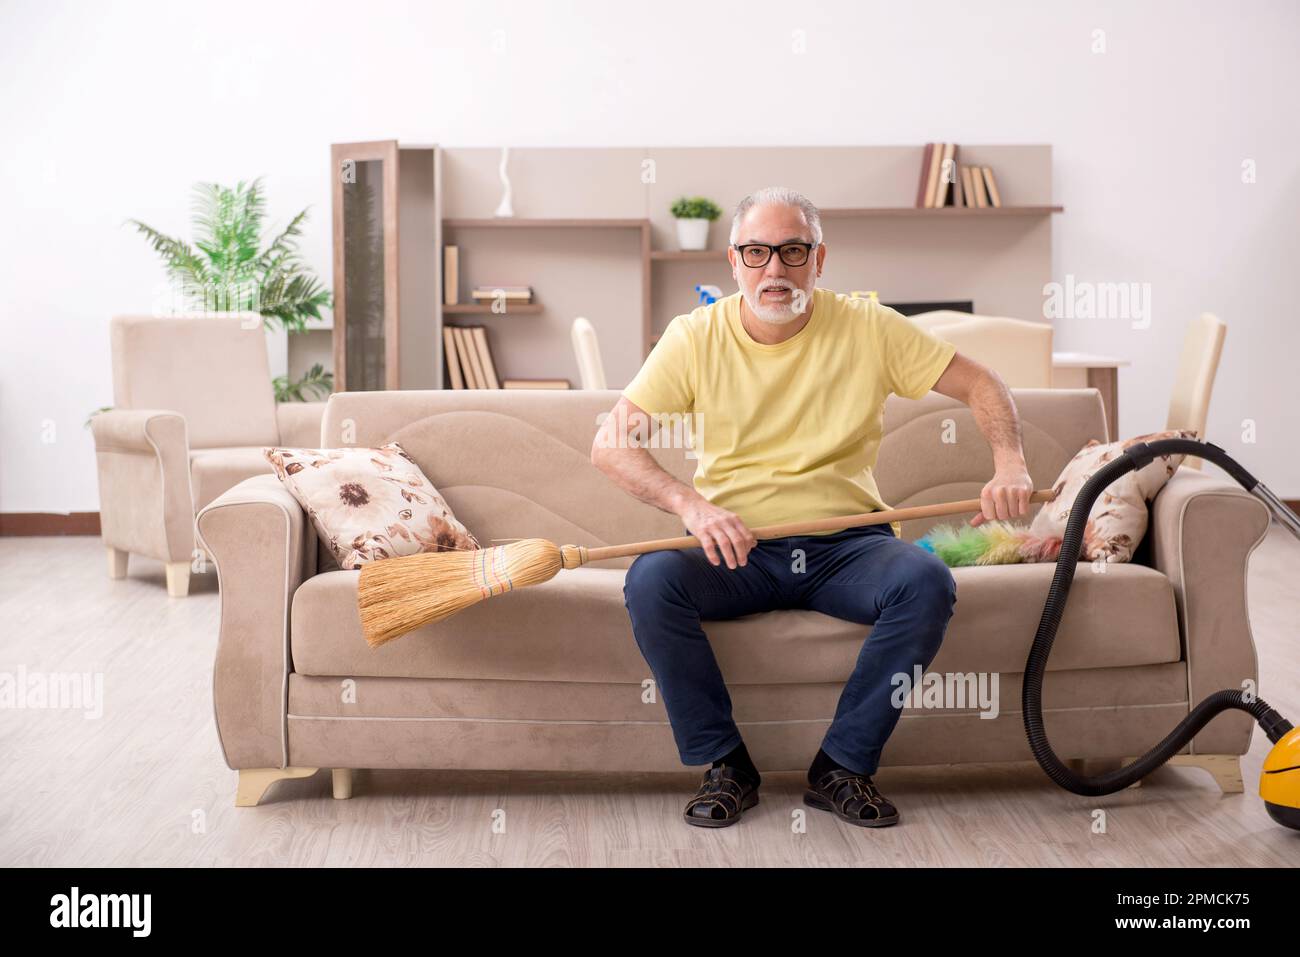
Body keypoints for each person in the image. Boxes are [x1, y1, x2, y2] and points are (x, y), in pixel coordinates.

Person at [590, 186, 1034, 829]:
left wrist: (1010, 463)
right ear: (733, 261)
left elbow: (982, 383)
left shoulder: (869, 325)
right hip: (736, 548)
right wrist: (692, 506)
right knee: (654, 580)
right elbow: (611, 445)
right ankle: (726, 766)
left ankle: (842, 768)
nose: (775, 269)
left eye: (793, 251)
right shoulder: (692, 338)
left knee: (924, 580)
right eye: (758, 252)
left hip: (849, 546)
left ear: (818, 261)